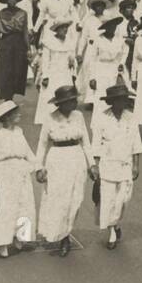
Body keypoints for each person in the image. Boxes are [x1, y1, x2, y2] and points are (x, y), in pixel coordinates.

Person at [35, 84, 94, 256]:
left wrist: (93, 164)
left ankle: (65, 230)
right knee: (59, 199)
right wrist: (39, 167)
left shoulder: (79, 116)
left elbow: (86, 142)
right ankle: (64, 237)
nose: (74, 103)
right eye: (70, 101)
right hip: (57, 160)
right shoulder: (50, 118)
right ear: (61, 104)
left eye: (74, 100)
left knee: (76, 199)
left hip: (76, 159)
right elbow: (42, 144)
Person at [0, 100, 39, 257]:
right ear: (6, 117)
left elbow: (28, 153)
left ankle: (20, 238)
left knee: (24, 205)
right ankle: (2, 242)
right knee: (6, 208)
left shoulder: (20, 133)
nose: (19, 114)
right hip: (5, 175)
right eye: (15, 112)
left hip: (21, 173)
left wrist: (38, 167)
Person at [91, 81, 142, 249]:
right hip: (107, 164)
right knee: (108, 199)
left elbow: (136, 142)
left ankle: (116, 223)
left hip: (125, 165)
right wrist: (95, 166)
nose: (123, 102)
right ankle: (112, 231)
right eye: (119, 99)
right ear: (112, 101)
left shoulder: (131, 118)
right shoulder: (101, 118)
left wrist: (136, 165)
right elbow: (96, 145)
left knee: (123, 199)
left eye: (125, 99)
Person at [0, 0, 30, 102]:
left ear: (17, 0)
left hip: (19, 44)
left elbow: (25, 31)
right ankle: (7, 98)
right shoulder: (0, 15)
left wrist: (28, 48)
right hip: (5, 43)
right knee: (5, 71)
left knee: (18, 70)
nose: (12, 1)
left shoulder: (23, 13)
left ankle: (11, 96)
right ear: (6, 0)